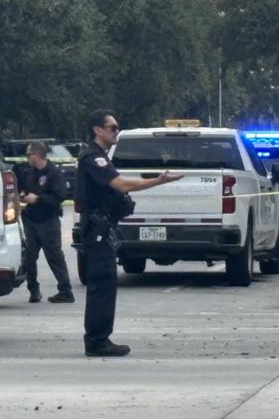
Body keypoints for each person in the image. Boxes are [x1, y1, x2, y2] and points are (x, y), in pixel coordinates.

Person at [75, 110, 183, 357]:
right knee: (102, 285)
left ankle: (99, 338)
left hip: (103, 228)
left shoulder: (101, 156)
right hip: (97, 229)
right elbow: (121, 185)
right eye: (112, 127)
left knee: (106, 284)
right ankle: (97, 340)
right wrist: (159, 180)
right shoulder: (94, 158)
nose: (116, 131)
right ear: (97, 130)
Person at [18, 142, 75, 304]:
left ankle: (65, 291)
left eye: (29, 154)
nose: (27, 157)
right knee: (29, 257)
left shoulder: (53, 172)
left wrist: (38, 199)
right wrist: (23, 194)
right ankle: (34, 291)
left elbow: (61, 195)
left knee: (55, 257)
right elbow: (23, 187)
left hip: (48, 221)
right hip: (30, 220)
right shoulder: (28, 171)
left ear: (37, 155)